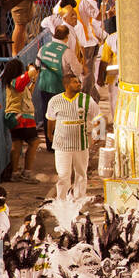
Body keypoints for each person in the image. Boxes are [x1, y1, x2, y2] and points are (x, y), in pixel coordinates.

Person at [46, 73, 95, 201]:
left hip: (81, 144)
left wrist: (97, 136)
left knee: (81, 174)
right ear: (66, 85)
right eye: (75, 82)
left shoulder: (87, 100)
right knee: (63, 175)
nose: (78, 84)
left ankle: (79, 200)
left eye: (79, 82)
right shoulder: (55, 101)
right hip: (62, 145)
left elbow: (99, 118)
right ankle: (62, 202)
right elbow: (50, 119)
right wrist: (49, 134)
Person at [0, 59, 39, 183]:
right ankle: (26, 172)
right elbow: (30, 73)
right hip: (21, 118)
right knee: (34, 142)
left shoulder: (13, 83)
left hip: (16, 117)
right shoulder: (15, 81)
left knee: (17, 145)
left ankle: (15, 172)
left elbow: (27, 93)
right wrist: (31, 69)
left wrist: (33, 81)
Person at [36, 26, 70, 150]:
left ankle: (50, 145)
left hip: (44, 86)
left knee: (48, 115)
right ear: (67, 36)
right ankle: (60, 144)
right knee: (61, 115)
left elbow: (37, 65)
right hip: (59, 87)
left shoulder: (43, 49)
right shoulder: (66, 51)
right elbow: (76, 69)